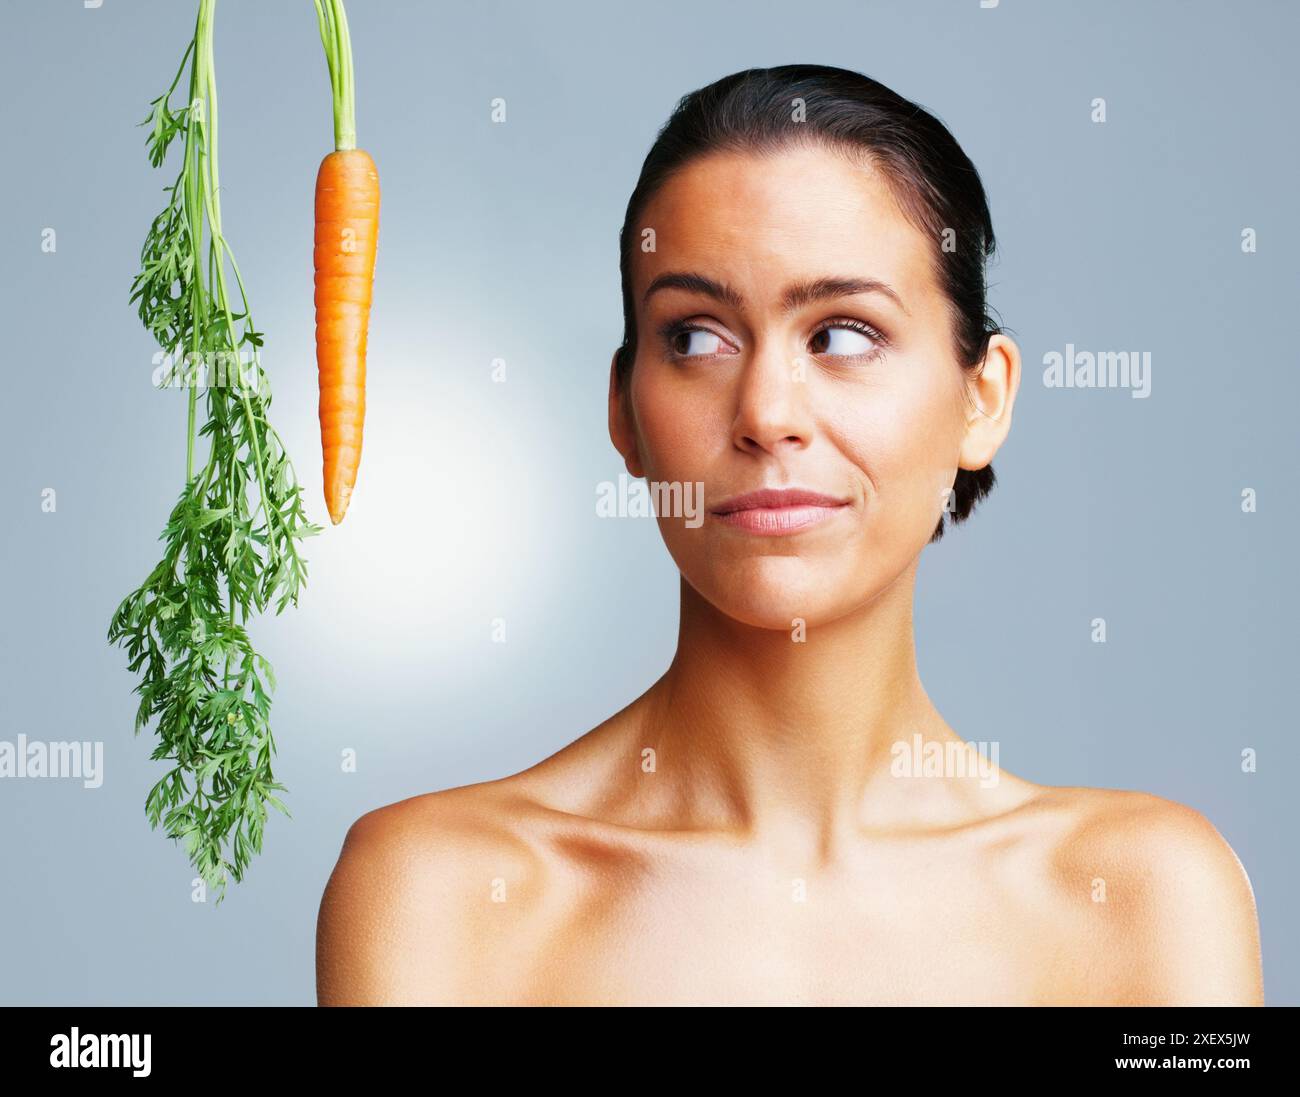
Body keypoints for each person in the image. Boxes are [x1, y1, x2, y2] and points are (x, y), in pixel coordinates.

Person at [316, 64, 1264, 1006]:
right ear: (623, 410)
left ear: (984, 397)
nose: (767, 412)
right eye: (695, 337)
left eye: (844, 334)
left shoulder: (1145, 900)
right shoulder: (440, 894)